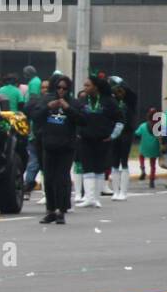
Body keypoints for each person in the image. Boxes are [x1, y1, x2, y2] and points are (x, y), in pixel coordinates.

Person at [30, 74, 81, 224]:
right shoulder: (46, 100)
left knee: (62, 178)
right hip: (48, 145)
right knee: (49, 179)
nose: (61, 91)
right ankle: (50, 210)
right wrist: (48, 108)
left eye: (64, 88)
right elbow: (35, 116)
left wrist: (68, 109)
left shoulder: (73, 102)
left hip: (66, 146)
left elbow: (83, 120)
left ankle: (61, 210)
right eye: (58, 87)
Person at [73, 74, 121, 209]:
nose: (85, 88)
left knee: (100, 168)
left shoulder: (109, 101)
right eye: (85, 85)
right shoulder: (82, 100)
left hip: (103, 140)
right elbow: (75, 117)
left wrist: (113, 135)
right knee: (87, 167)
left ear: (96, 87)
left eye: (88, 85)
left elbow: (120, 119)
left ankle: (96, 199)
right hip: (85, 139)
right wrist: (76, 133)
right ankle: (88, 198)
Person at [107, 75, 139, 201]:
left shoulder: (130, 101)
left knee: (124, 161)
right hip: (115, 132)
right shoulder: (113, 100)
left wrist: (121, 83)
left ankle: (123, 191)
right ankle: (115, 191)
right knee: (114, 161)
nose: (118, 92)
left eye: (119, 90)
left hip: (127, 132)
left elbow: (130, 93)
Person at [136, 107, 161, 188]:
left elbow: (137, 133)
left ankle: (142, 168)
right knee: (153, 164)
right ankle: (151, 180)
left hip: (144, 147)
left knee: (141, 155)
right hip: (154, 148)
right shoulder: (159, 126)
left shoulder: (143, 125)